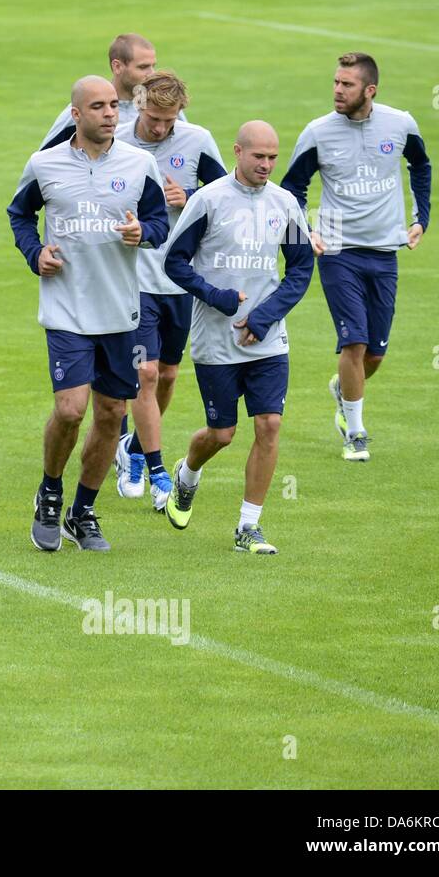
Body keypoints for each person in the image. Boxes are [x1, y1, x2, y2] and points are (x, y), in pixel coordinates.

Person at [8, 76, 169, 552]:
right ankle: (51, 491)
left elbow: (161, 223)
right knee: (70, 409)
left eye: (114, 106)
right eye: (97, 106)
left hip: (121, 311)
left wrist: (146, 231)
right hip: (65, 308)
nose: (109, 113)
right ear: (75, 114)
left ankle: (84, 511)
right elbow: (19, 216)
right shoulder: (45, 163)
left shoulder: (140, 165)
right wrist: (34, 252)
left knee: (112, 412)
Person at [162, 121, 314, 553]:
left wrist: (265, 317)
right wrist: (218, 297)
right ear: (238, 152)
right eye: (258, 156)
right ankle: (187, 473)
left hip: (267, 339)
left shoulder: (284, 203)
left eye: (272, 157)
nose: (266, 165)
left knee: (269, 424)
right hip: (215, 339)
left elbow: (301, 266)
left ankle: (249, 527)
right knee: (222, 433)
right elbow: (174, 263)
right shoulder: (208, 201)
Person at [280, 52, 431, 461]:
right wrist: (305, 232)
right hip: (337, 249)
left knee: (375, 353)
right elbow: (292, 187)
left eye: (346, 85)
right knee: (354, 342)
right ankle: (355, 432)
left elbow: (420, 165)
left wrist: (422, 219)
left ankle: (344, 392)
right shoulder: (317, 132)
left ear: (370, 90)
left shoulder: (399, 124)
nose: (337, 90)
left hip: (385, 250)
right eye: (335, 82)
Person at [111, 71, 227, 510]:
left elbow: (225, 194)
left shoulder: (198, 140)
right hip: (133, 277)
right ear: (139, 105)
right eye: (155, 118)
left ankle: (133, 449)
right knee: (146, 373)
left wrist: (190, 195)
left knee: (170, 375)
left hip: (180, 279)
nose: (161, 128)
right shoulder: (117, 141)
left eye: (170, 120)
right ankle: (156, 469)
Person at [39, 33, 186, 150]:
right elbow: (46, 159)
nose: (152, 73)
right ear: (117, 67)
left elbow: (188, 146)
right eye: (143, 67)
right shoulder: (86, 107)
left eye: (153, 66)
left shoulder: (161, 104)